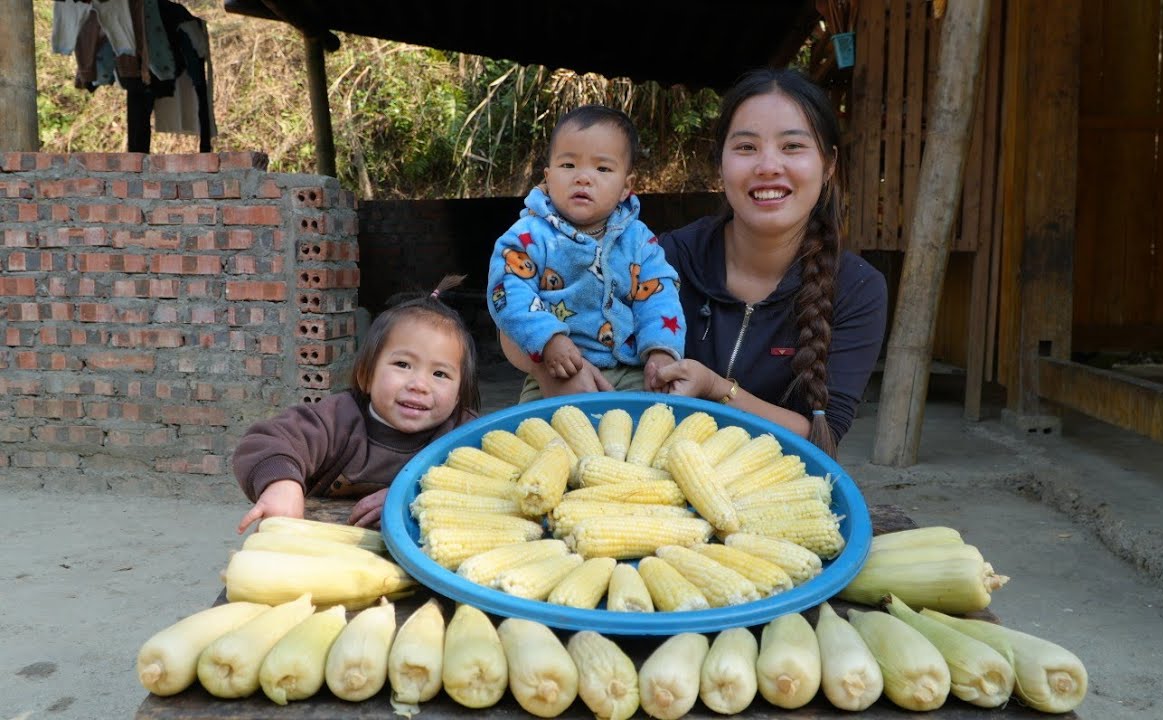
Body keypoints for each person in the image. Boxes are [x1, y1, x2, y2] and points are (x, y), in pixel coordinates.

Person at [511, 69, 888, 457]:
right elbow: (515, 311)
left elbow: (822, 437)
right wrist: (549, 369)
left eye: (792, 146)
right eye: (746, 147)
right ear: (720, 163)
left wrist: (716, 390)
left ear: (828, 165)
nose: (768, 166)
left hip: (771, 485)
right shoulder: (666, 255)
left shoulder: (857, 288)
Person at [233, 276, 480, 532]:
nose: (419, 384)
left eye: (440, 374)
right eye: (402, 365)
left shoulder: (464, 436)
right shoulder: (337, 419)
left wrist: (413, 497)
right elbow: (265, 441)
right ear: (366, 375)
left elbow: (490, 492)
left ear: (459, 394)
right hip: (320, 552)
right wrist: (281, 483)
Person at [487, 104, 687, 403]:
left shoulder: (639, 240)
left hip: (630, 370)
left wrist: (661, 350)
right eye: (568, 166)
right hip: (556, 372)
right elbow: (508, 291)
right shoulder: (529, 235)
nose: (583, 177)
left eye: (602, 168)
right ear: (548, 175)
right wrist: (549, 339)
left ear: (626, 187)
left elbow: (659, 294)